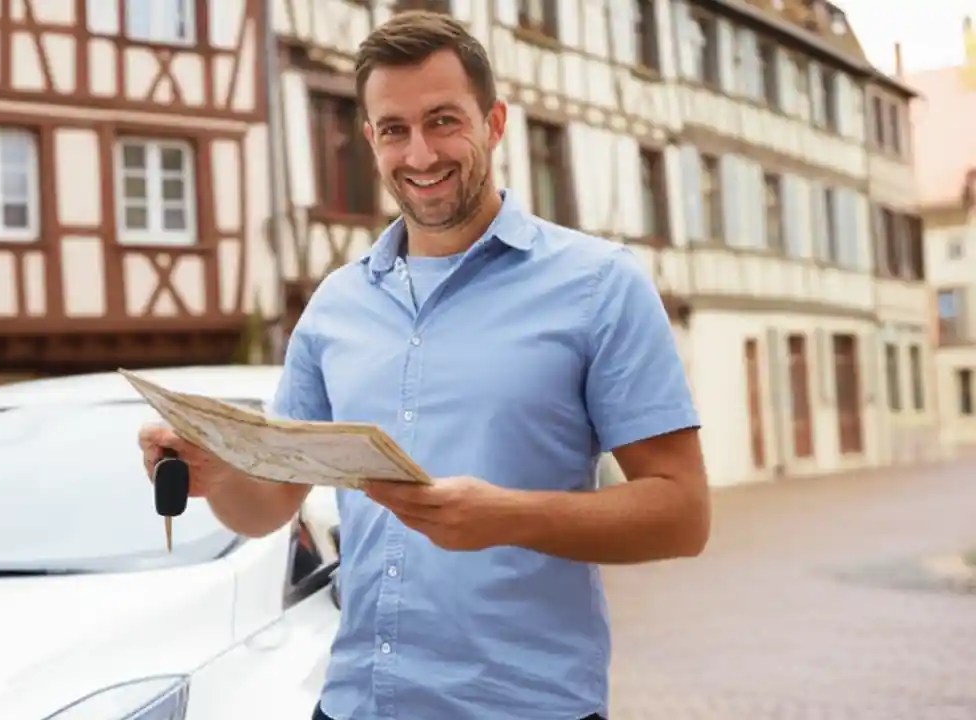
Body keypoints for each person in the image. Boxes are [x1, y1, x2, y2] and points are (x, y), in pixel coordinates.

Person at [138, 10, 709, 720]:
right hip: (356, 705)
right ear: (371, 139)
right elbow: (269, 506)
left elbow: (682, 515)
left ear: (495, 122)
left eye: (444, 121)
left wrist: (507, 518)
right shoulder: (336, 304)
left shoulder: (600, 285)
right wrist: (218, 475)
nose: (420, 154)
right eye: (394, 130)